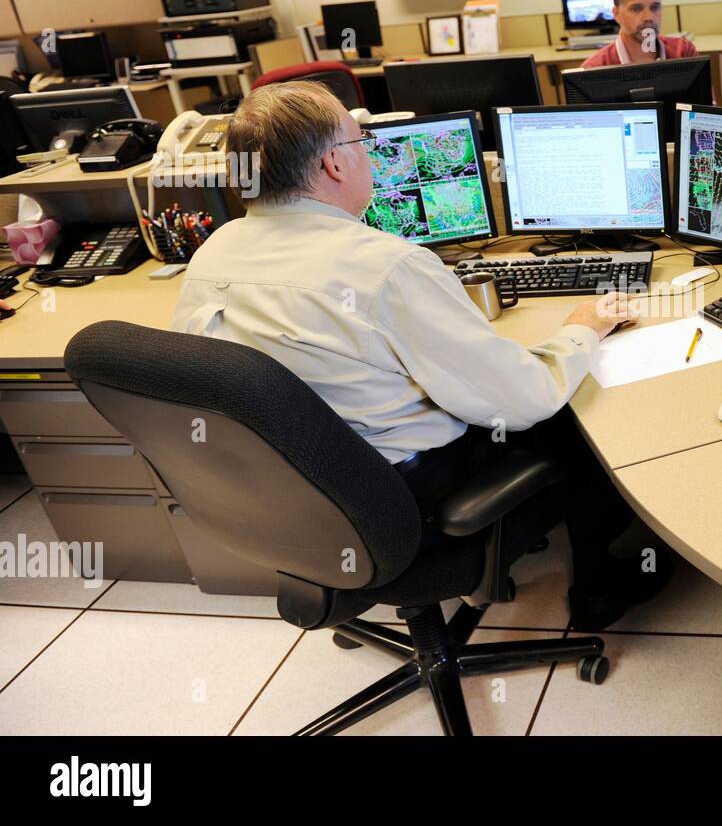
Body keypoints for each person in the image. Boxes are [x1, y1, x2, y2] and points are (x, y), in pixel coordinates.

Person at [170, 81, 669, 629]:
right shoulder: (383, 266)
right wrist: (582, 328)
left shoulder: (211, 253)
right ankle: (600, 589)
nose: (368, 156)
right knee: (575, 414)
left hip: (294, 500)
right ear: (335, 164)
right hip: (401, 498)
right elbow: (525, 400)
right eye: (362, 142)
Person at [581, 0, 699, 68]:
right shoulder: (594, 68)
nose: (648, 17)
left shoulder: (684, 52)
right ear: (616, 14)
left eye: (654, 7)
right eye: (636, 9)